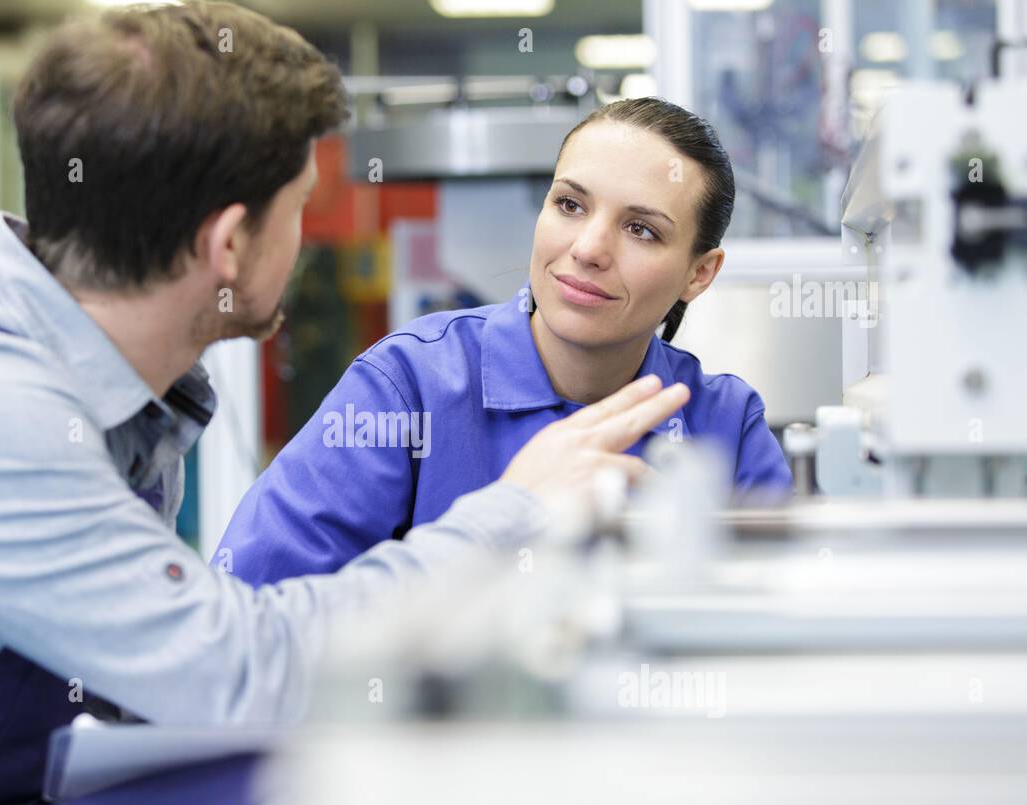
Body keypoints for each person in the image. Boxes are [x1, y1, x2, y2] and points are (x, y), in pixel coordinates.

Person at [0, 3, 688, 805]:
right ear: (229, 246)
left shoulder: (95, 385)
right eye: (300, 210)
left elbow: (166, 683)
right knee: (314, 787)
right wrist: (514, 512)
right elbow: (249, 672)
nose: (305, 239)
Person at [216, 97, 792, 587]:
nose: (589, 248)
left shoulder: (727, 426)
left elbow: (770, 632)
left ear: (700, 273)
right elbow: (251, 609)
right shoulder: (408, 388)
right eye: (570, 204)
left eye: (641, 229)